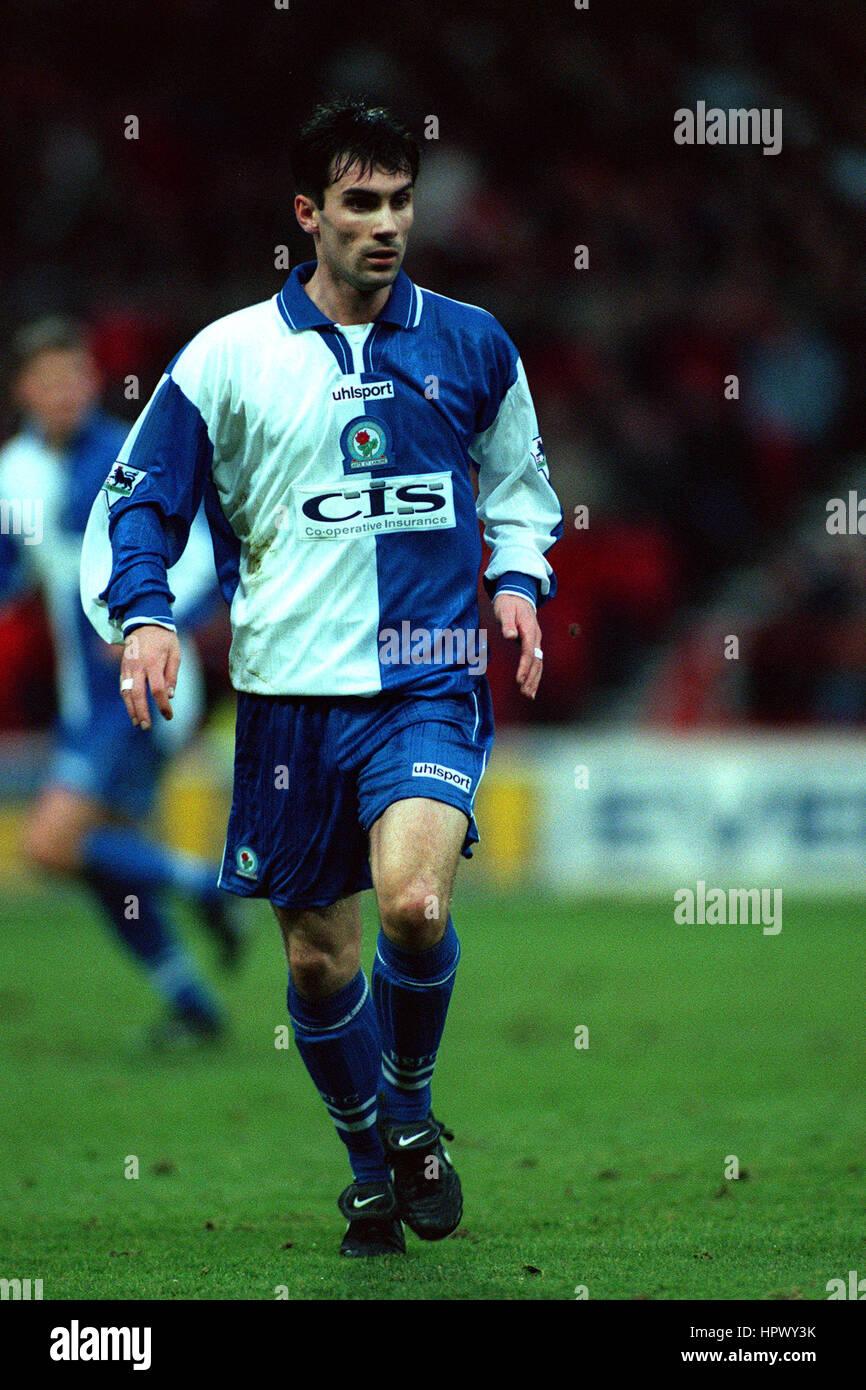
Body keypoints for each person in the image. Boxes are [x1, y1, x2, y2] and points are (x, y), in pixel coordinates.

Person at [81, 98, 562, 1254]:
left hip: (427, 675)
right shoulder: (227, 357)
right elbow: (140, 503)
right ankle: (370, 1167)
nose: (385, 223)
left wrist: (517, 578)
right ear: (306, 215)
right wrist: (142, 615)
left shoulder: (472, 343)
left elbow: (519, 487)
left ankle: (408, 1117)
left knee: (412, 903)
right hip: (290, 695)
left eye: (399, 201)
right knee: (315, 954)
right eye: (359, 202)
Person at [0, 316, 245, 1051]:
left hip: (139, 686)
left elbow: (204, 561)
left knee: (49, 845)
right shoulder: (15, 471)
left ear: (93, 381)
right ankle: (191, 1004)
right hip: (87, 700)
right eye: (46, 380)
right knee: (104, 861)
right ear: (23, 391)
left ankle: (210, 885)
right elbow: (12, 574)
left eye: (72, 376)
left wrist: (150, 622)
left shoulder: (128, 459)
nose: (62, 392)